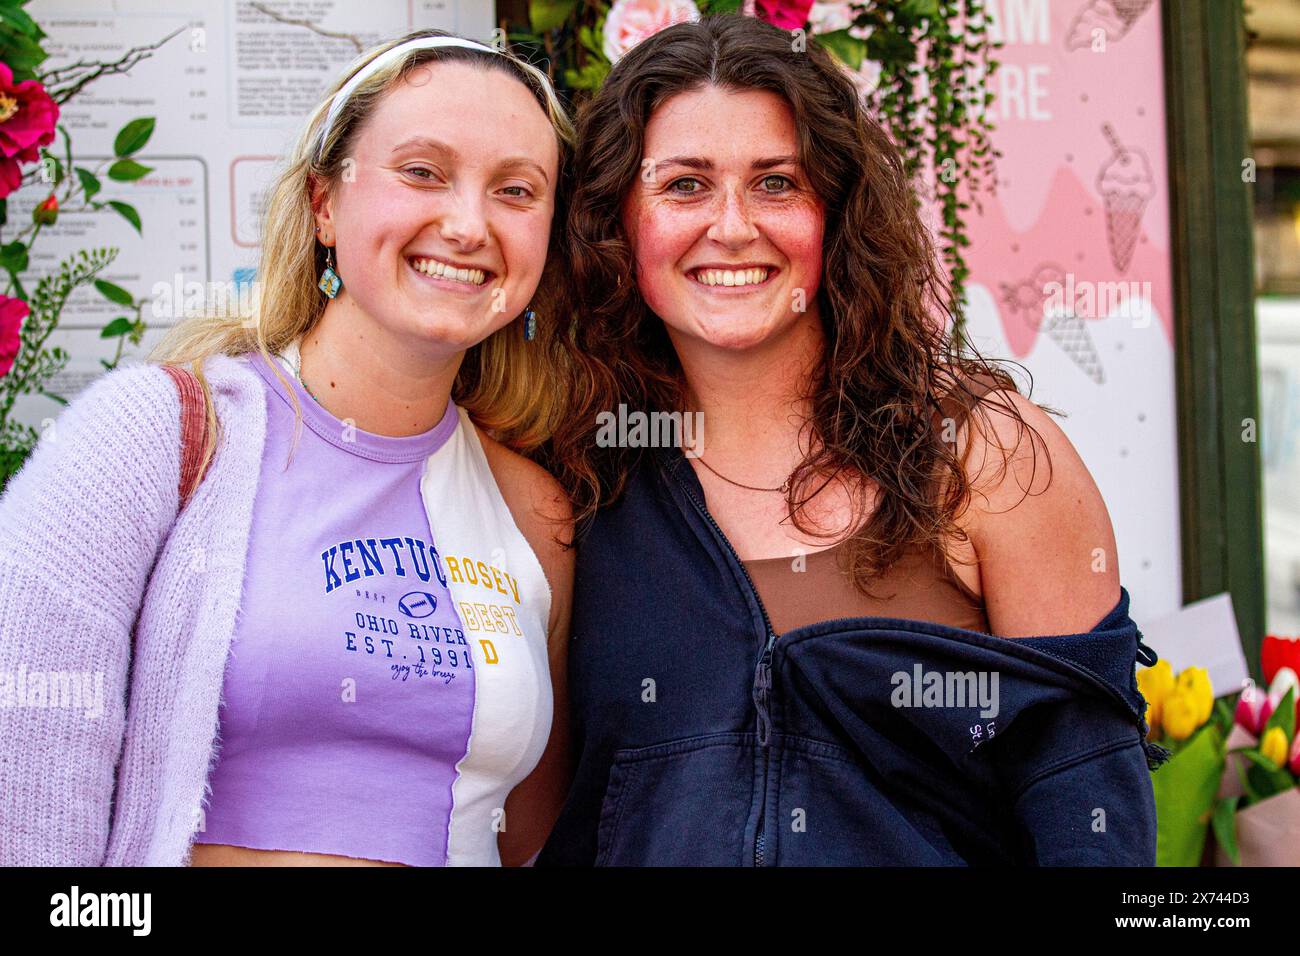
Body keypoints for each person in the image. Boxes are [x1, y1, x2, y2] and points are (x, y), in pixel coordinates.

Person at [539, 14, 1161, 866]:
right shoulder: (573, 478)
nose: (730, 226)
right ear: (619, 221)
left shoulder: (984, 454)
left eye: (776, 184)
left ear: (838, 211)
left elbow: (1094, 823)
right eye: (684, 186)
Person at [0, 29, 575, 867]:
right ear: (324, 204)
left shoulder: (535, 513)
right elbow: (25, 788)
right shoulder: (155, 438)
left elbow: (528, 840)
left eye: (516, 191)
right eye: (421, 172)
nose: (466, 223)